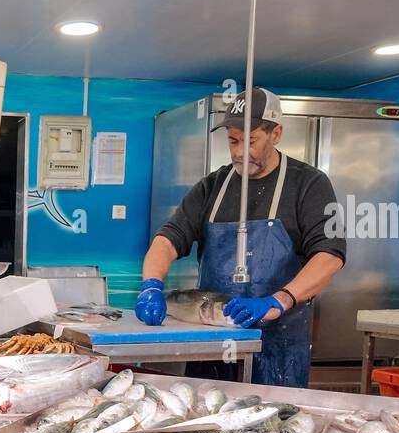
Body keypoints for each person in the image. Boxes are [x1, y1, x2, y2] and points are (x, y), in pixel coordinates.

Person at [135, 88, 346, 388]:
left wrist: (279, 299)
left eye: (251, 141)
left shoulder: (309, 184)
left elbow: (330, 255)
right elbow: (167, 240)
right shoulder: (213, 186)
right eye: (233, 140)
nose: (238, 152)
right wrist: (151, 285)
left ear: (276, 134)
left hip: (279, 346)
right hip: (214, 345)